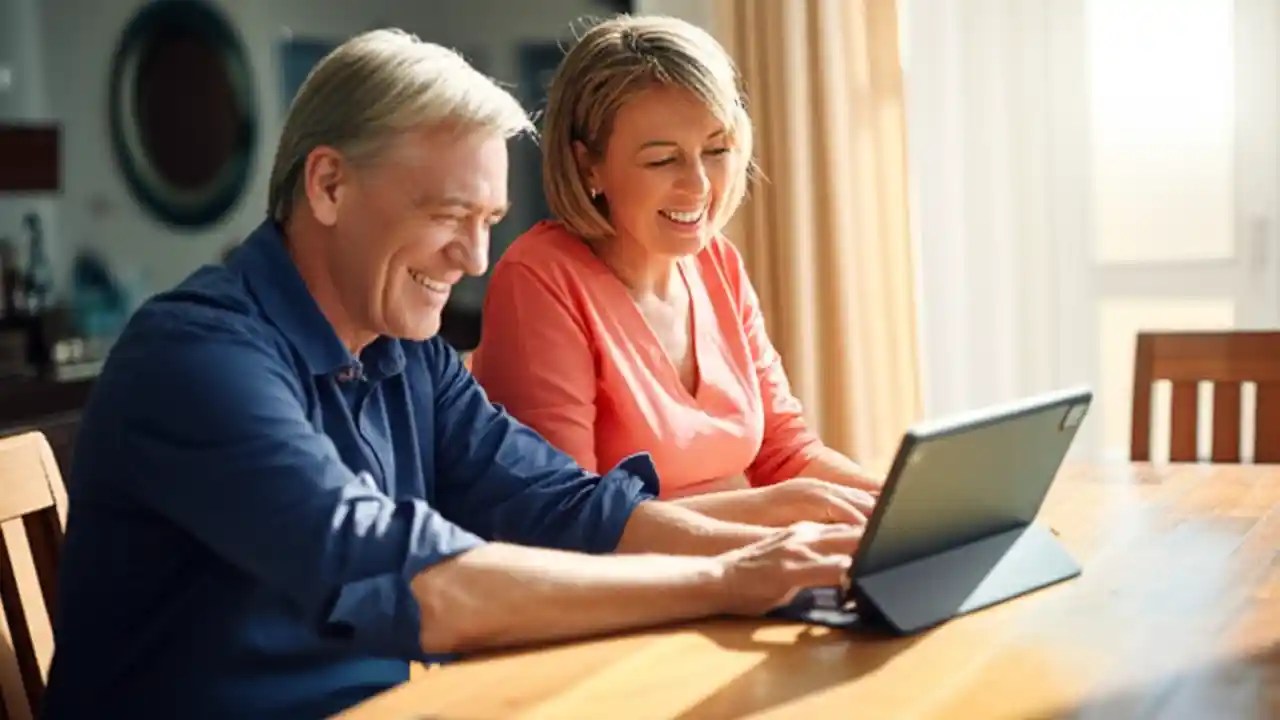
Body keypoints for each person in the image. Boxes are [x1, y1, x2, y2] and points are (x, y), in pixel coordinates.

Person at [42, 30, 863, 719]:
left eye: (488, 221)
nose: (473, 260)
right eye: (447, 216)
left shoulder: (407, 355)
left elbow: (570, 507)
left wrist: (791, 553)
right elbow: (413, 581)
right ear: (329, 185)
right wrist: (722, 580)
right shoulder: (195, 360)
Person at [471, 16, 881, 526]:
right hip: (651, 576)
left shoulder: (717, 263)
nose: (700, 186)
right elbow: (572, 518)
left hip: (745, 560)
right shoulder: (540, 279)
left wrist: (900, 506)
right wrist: (774, 508)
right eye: (663, 160)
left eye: (716, 151)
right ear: (588, 166)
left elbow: (786, 453)